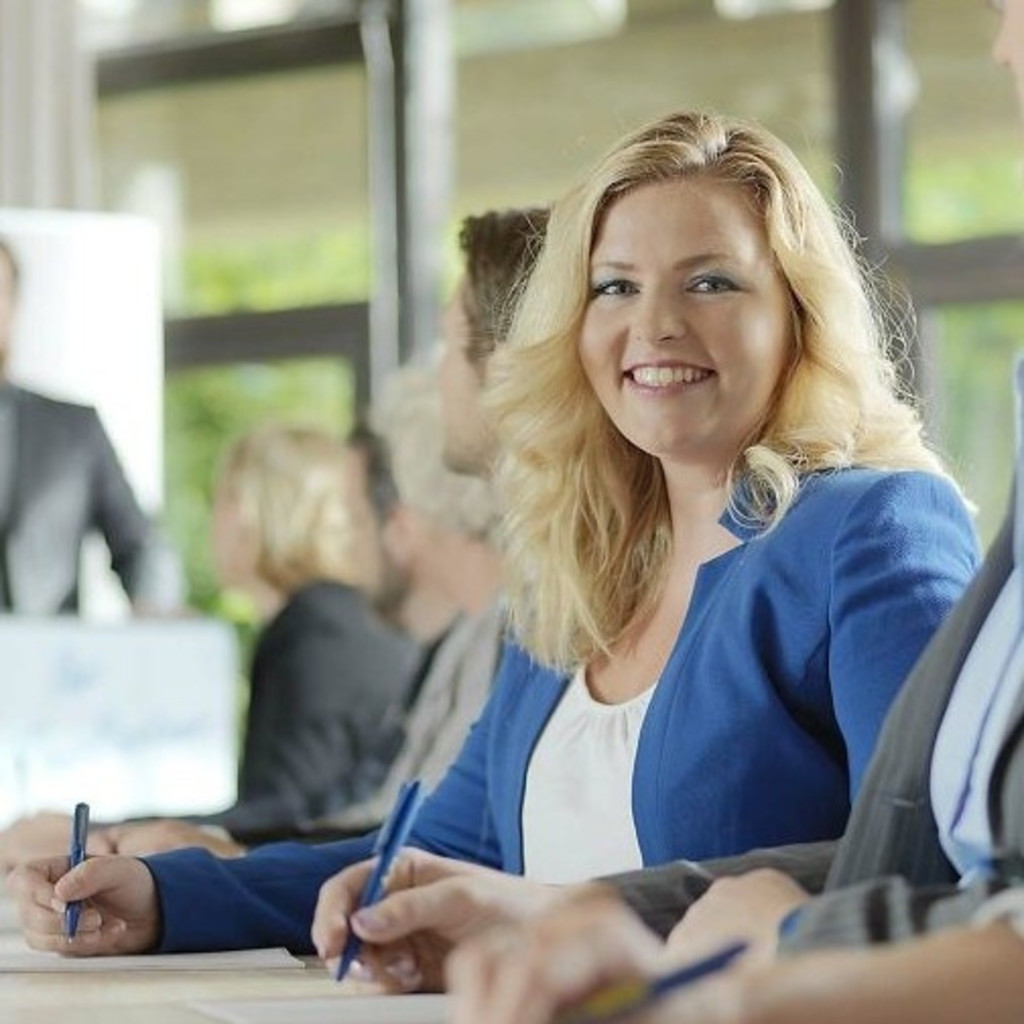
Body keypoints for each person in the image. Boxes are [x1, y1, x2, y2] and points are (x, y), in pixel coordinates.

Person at [7, 111, 980, 959]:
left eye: (712, 282)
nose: (655, 325)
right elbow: (442, 855)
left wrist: (564, 911)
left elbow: (922, 862)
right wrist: (169, 897)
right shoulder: (570, 570)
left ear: (800, 317)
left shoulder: (871, 529)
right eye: (614, 287)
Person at [0, 237, 184, 615]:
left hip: (41, 644)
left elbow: (140, 544)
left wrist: (155, 609)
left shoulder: (72, 429)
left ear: (13, 308)